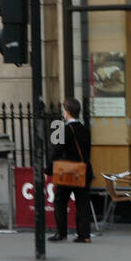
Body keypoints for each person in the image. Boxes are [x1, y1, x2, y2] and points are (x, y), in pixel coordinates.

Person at [47, 98, 94, 243]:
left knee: (60, 200)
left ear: (67, 112)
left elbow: (57, 152)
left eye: (63, 110)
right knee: (82, 202)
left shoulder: (64, 129)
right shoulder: (85, 129)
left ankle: (61, 232)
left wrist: (48, 170)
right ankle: (84, 235)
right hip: (83, 170)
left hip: (68, 172)